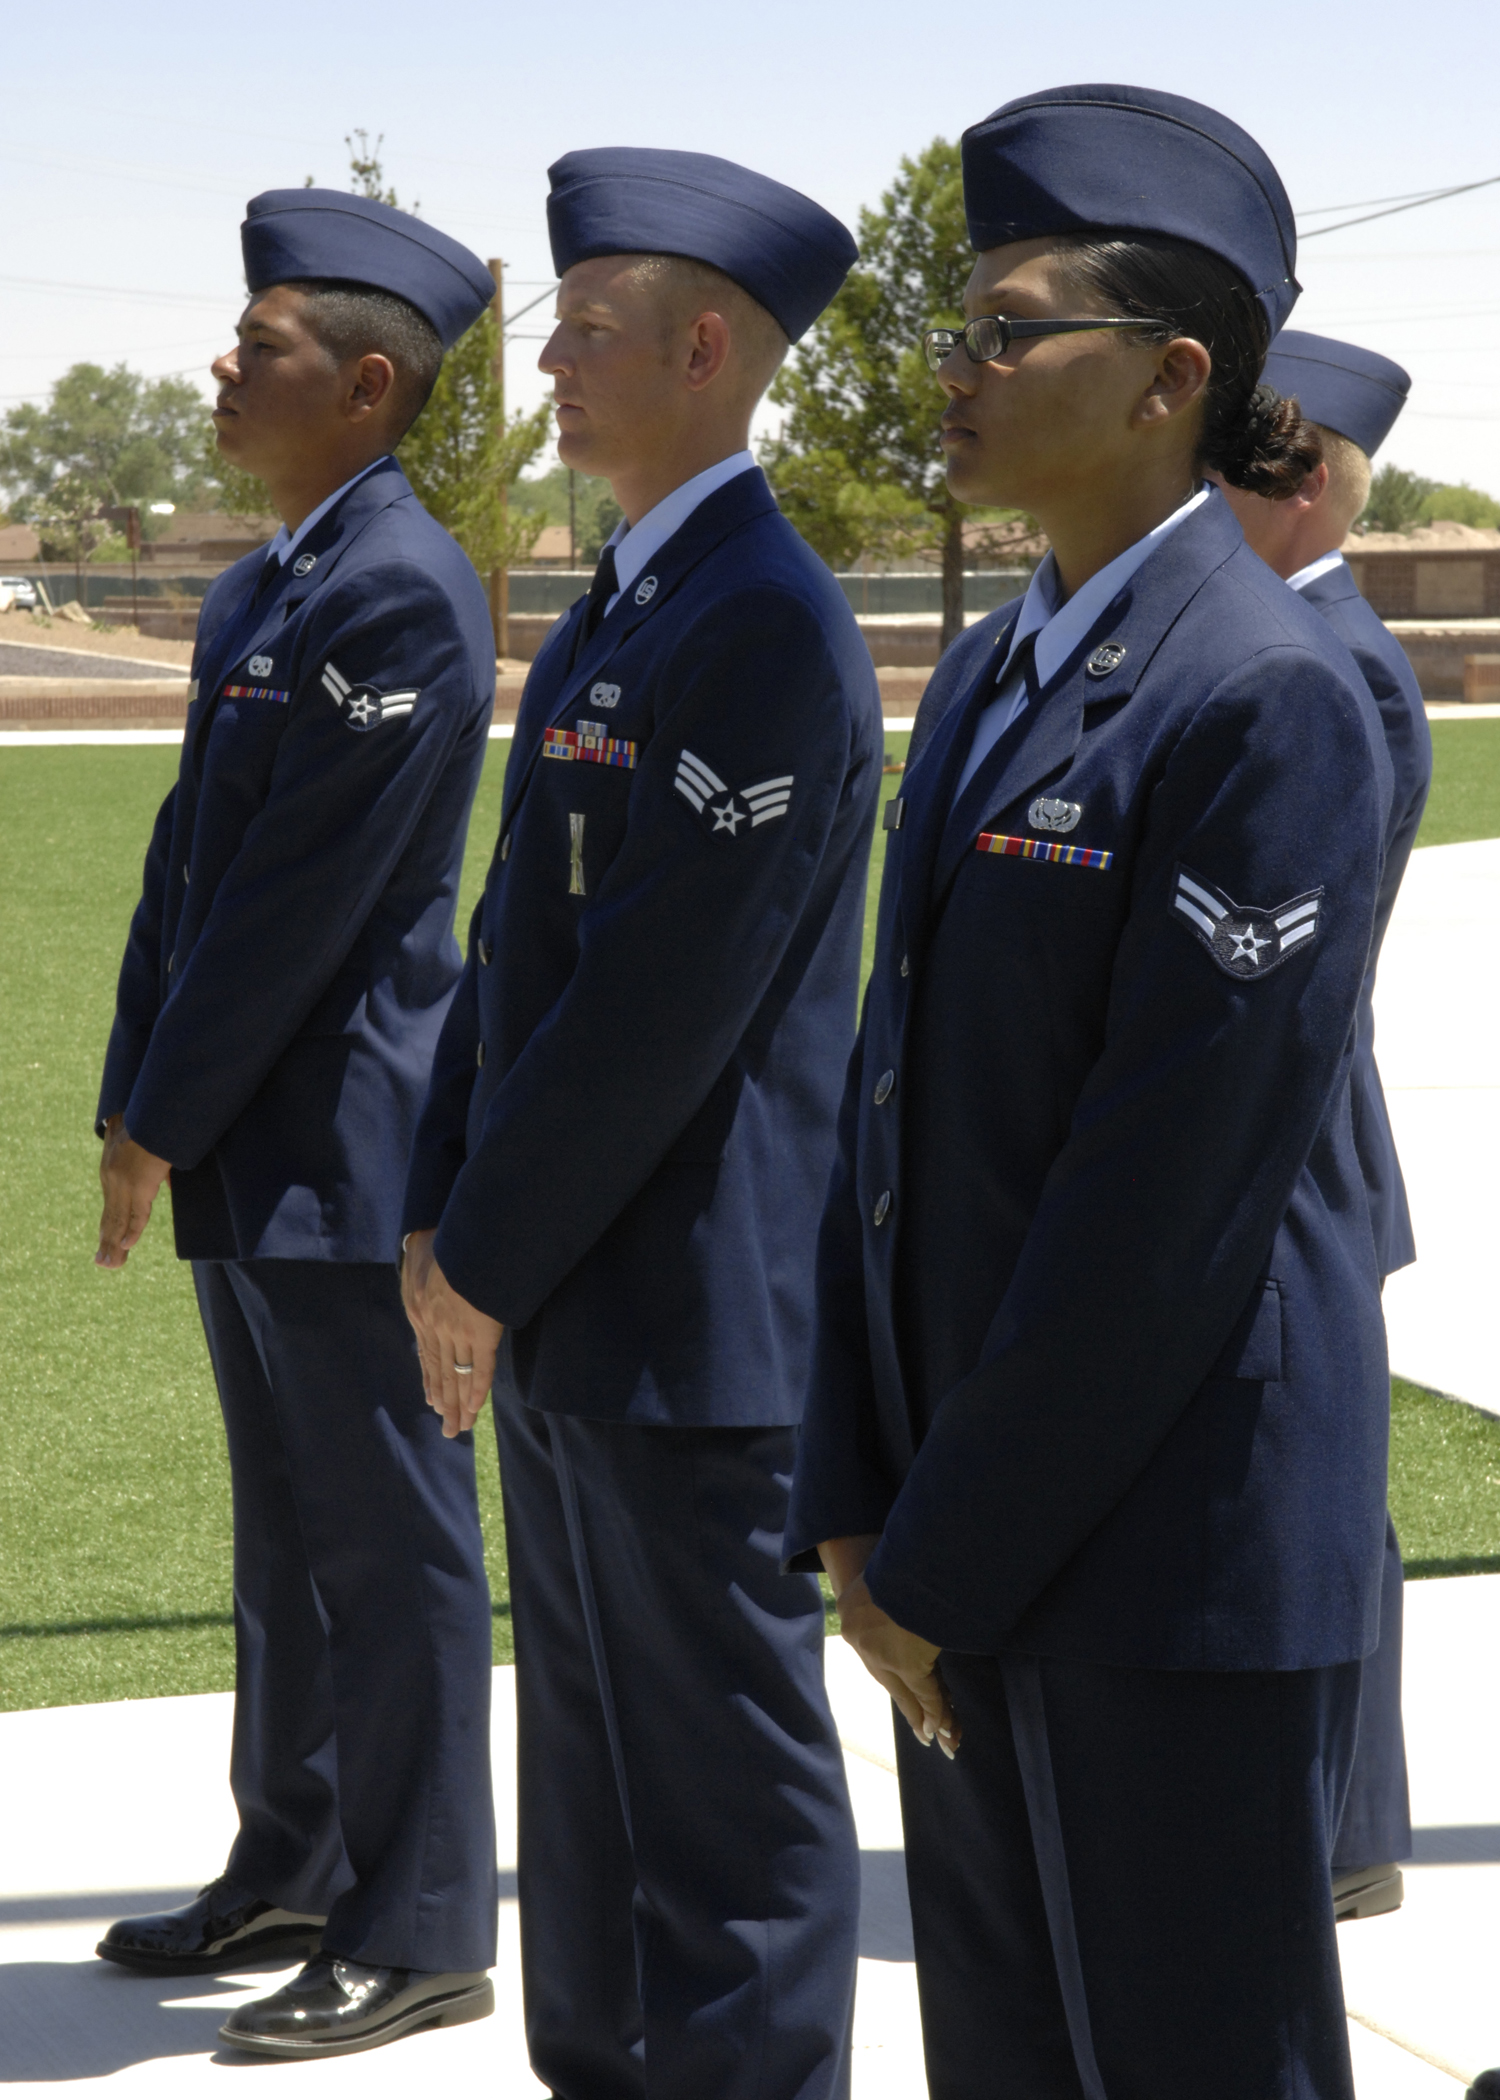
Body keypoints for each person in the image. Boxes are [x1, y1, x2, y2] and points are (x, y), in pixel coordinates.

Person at [787, 84, 1395, 2100]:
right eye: (950, 329)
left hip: (1160, 1555)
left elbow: (1169, 1204)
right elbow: (891, 1114)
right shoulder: (989, 666)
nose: (951, 373)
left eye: (1005, 329)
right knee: (1014, 2060)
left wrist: (934, 1553)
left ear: (1169, 379)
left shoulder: (1268, 694)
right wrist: (861, 1499)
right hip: (970, 1525)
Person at [400, 148, 876, 2100]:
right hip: (571, 1308)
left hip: (694, 1326)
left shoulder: (760, 621)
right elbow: (514, 949)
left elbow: (652, 1017)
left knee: (729, 1816)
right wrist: (438, 1225)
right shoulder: (632, 597)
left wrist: (480, 1258)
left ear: (706, 346)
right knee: (587, 1787)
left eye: (589, 330)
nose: (551, 370)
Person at [92, 189, 502, 2059]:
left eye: (253, 345)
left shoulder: (401, 582)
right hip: (247, 1133)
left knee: (390, 1537)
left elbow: (300, 902)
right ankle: (297, 1855)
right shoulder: (269, 581)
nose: (218, 366)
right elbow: (192, 864)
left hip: (341, 1135)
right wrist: (135, 1100)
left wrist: (169, 1110)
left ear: (359, 383)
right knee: (289, 1530)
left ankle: (421, 1922)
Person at [1213, 328, 1430, 1927]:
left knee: (1326, 1498)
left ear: (1298, 490)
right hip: (1295, 1134)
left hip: (1297, 1140)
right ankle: (1339, 1822)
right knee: (1319, 1494)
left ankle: (1342, 1825)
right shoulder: (1293, 637)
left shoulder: (1333, 660)